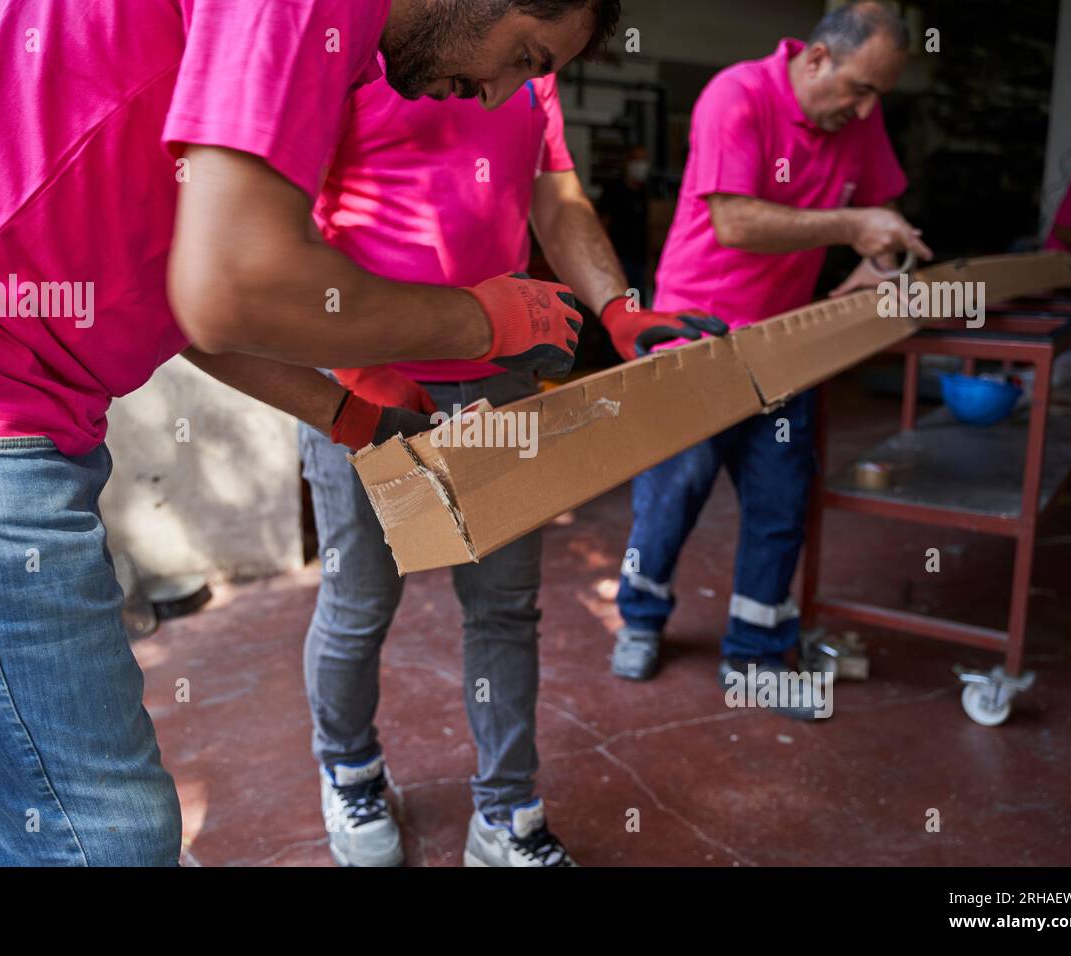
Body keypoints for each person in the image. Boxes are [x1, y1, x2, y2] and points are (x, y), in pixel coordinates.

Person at [0, 0, 620, 866]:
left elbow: (190, 297)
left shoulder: (338, 47)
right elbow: (236, 284)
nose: (499, 94)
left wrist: (351, 415)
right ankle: (351, 774)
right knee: (102, 846)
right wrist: (481, 320)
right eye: (523, 54)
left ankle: (500, 810)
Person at [302, 52, 725, 866]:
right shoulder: (352, 42)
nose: (534, 61)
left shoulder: (529, 64)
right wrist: (350, 363)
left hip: (501, 377)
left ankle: (506, 816)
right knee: (359, 604)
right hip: (366, 378)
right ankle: (350, 769)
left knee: (504, 607)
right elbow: (279, 225)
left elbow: (554, 195)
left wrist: (620, 310)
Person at [609, 2, 931, 718]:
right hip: (698, 335)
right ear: (816, 58)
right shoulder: (738, 94)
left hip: (788, 345)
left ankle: (755, 656)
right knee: (673, 492)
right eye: (858, 88)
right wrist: (855, 225)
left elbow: (879, 217)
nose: (866, 107)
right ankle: (639, 618)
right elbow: (736, 220)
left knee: (781, 504)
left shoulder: (858, 114)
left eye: (879, 93)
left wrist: (877, 264)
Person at [597, 144, 653, 301]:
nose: (641, 165)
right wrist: (606, 258)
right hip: (618, 259)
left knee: (634, 303)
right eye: (637, 160)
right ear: (627, 162)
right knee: (619, 301)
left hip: (639, 261)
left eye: (645, 160)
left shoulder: (643, 192)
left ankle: (632, 324)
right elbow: (603, 225)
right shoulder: (613, 189)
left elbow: (647, 227)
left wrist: (649, 262)